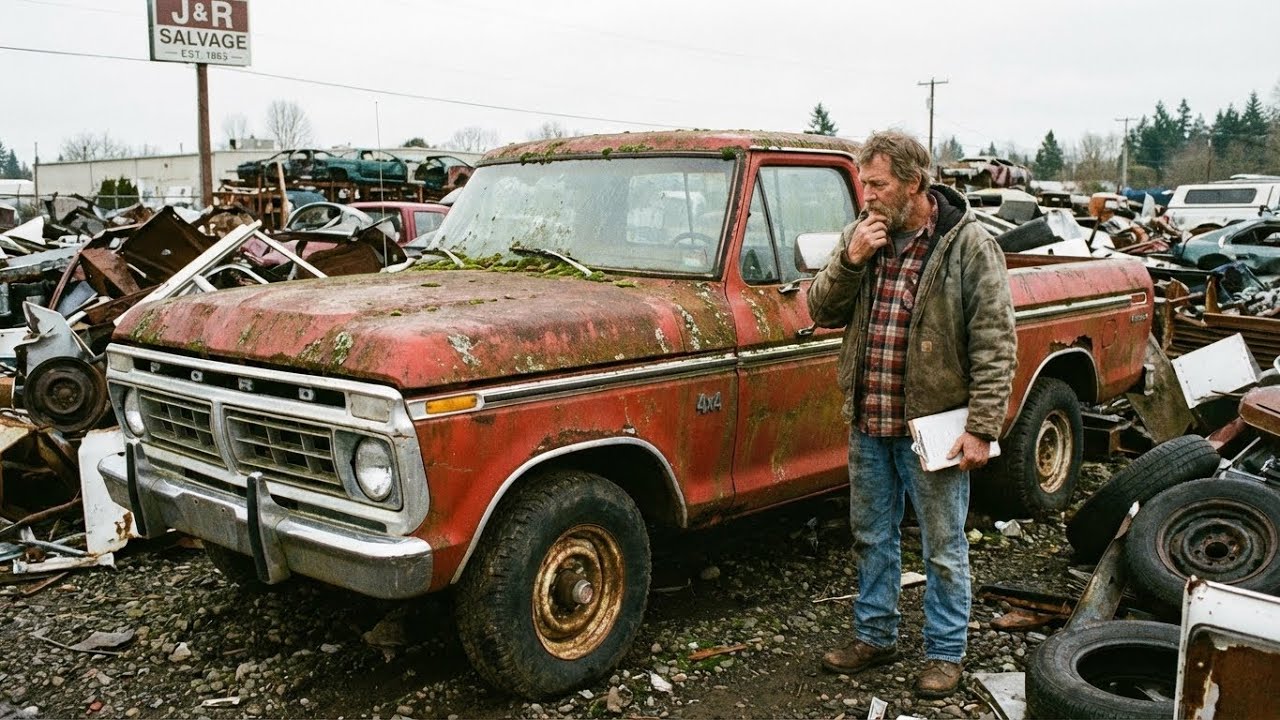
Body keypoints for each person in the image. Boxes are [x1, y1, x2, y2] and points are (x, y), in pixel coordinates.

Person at [807, 130, 1016, 698]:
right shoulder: (861, 237)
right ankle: (875, 636)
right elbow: (821, 309)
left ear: (914, 183)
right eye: (863, 184)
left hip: (934, 430)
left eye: (877, 184)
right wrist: (851, 261)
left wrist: (982, 427)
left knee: (943, 546)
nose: (866, 196)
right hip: (869, 422)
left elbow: (995, 341)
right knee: (872, 536)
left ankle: (945, 654)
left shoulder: (967, 245)